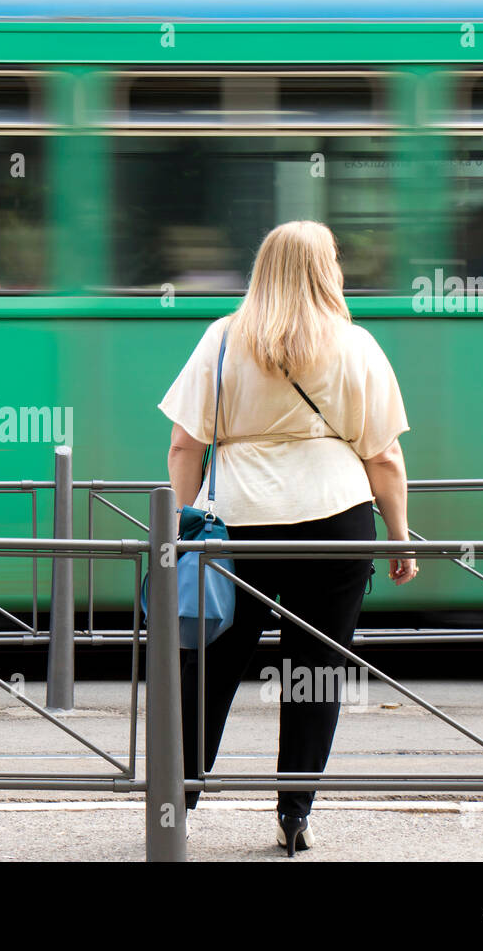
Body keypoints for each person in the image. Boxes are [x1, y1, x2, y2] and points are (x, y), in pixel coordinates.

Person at [157, 219, 416, 857]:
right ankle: (294, 816)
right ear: (327, 270)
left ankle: (177, 804)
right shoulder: (356, 346)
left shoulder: (221, 340)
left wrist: (186, 520)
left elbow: (184, 443)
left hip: (237, 525)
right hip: (335, 520)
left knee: (212, 665)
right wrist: (401, 537)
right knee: (315, 670)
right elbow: (384, 458)